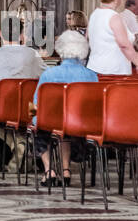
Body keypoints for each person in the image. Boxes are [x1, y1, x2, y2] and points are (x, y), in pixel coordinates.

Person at [32, 30, 98, 185]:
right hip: (82, 123)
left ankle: (49, 170)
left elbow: (36, 103)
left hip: (53, 122)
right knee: (66, 131)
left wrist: (32, 117)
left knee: (40, 126)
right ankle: (66, 170)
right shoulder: (92, 76)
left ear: (59, 48)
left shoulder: (49, 74)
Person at [0, 26, 43, 171]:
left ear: (0, 34)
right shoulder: (33, 53)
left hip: (4, 107)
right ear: (21, 34)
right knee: (31, 117)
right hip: (31, 109)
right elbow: (44, 80)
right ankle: (25, 142)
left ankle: (17, 142)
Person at [88, 0, 138, 76]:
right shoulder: (113, 16)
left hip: (95, 67)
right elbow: (124, 45)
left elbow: (88, 37)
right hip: (114, 69)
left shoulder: (94, 14)